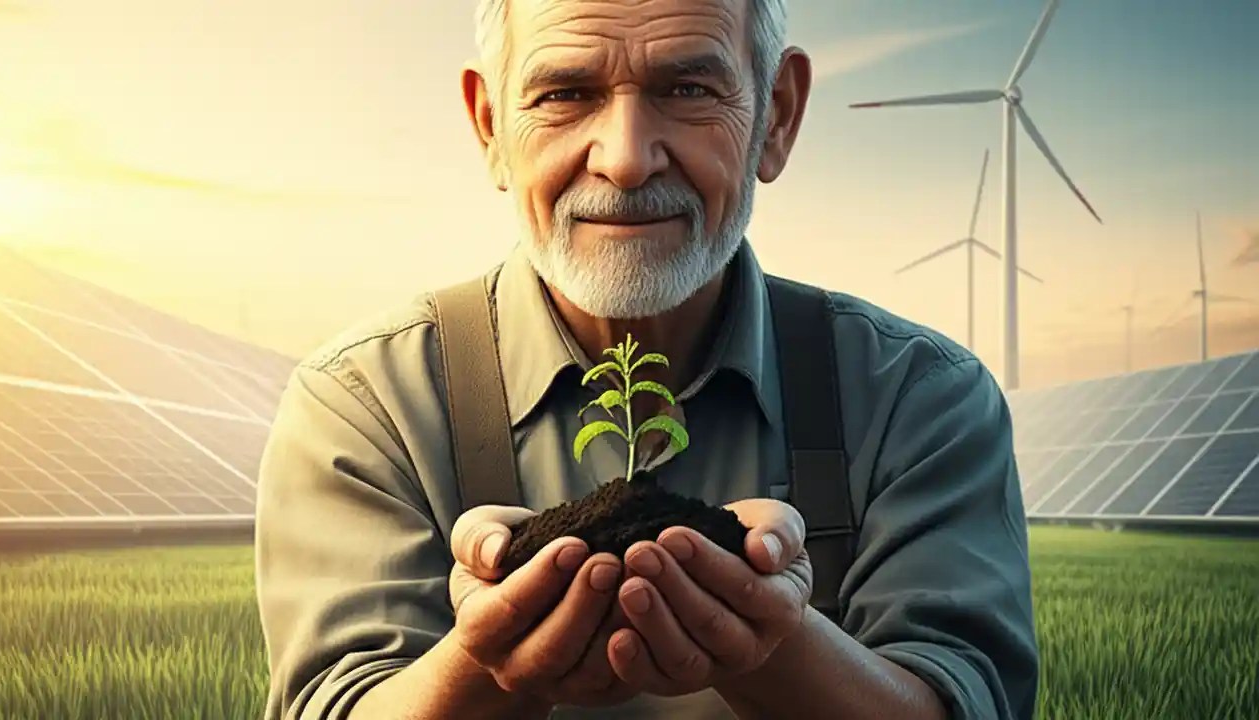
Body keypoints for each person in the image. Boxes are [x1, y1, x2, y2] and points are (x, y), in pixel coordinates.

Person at [254, 0, 1039, 718]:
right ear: (490, 126)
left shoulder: (920, 398)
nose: (626, 159)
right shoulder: (367, 403)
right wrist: (484, 662)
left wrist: (775, 639)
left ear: (776, 116)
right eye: (565, 94)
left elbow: (968, 694)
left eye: (688, 89)